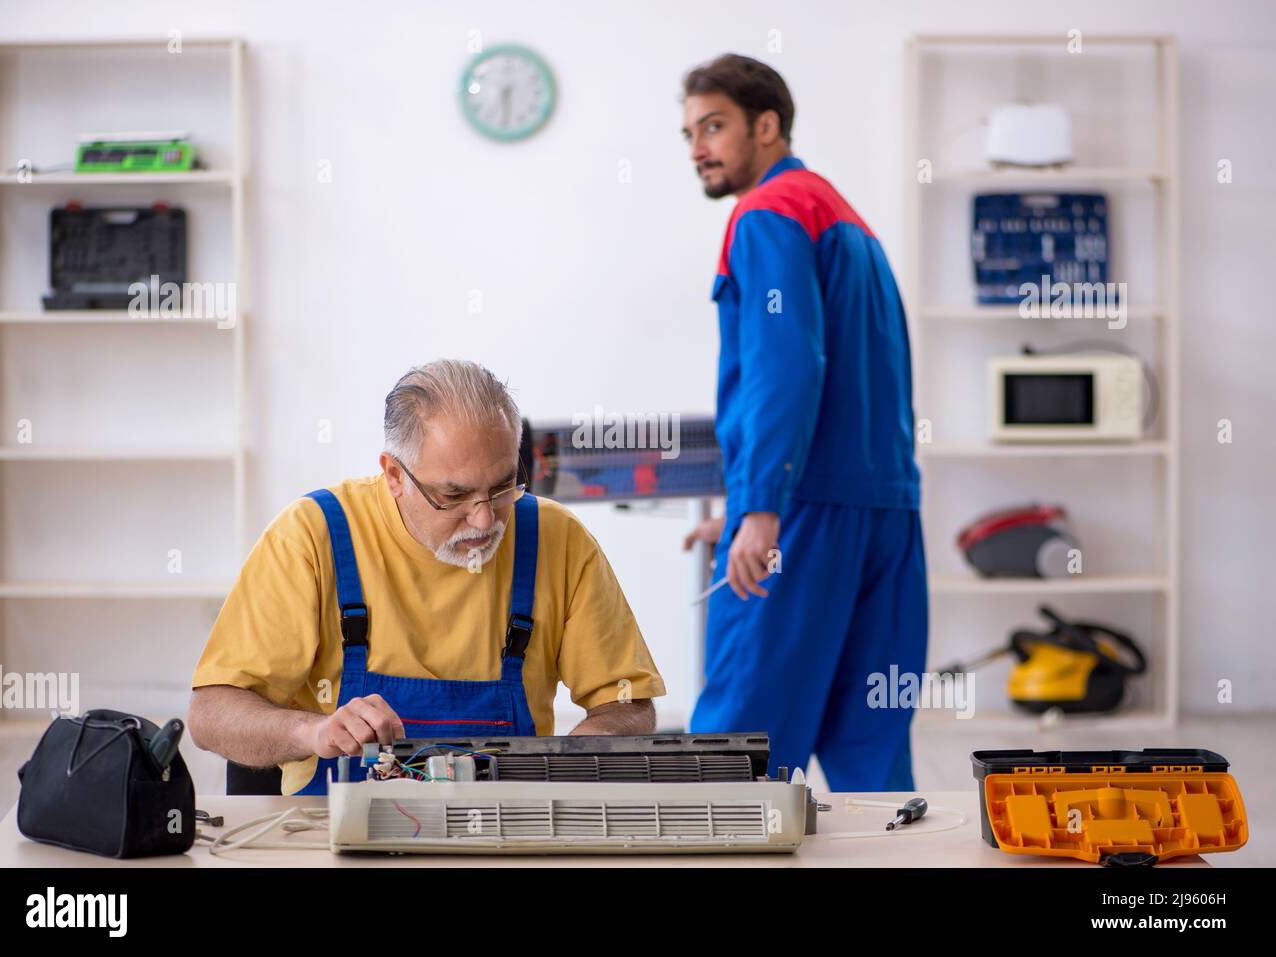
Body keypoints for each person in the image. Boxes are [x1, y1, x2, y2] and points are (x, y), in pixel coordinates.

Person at [189, 359, 666, 794]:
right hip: (327, 834)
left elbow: (628, 705)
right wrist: (312, 731)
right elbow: (210, 716)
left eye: (502, 487)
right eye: (454, 496)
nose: (484, 520)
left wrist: (567, 763)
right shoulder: (313, 536)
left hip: (505, 828)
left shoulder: (557, 540)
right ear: (394, 475)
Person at [679, 54, 927, 790]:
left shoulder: (766, 213)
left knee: (738, 742)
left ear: (767, 125)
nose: (698, 147)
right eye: (690, 131)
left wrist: (758, 509)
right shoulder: (847, 219)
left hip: (805, 514)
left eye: (714, 126)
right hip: (886, 513)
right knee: (871, 747)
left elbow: (787, 366)